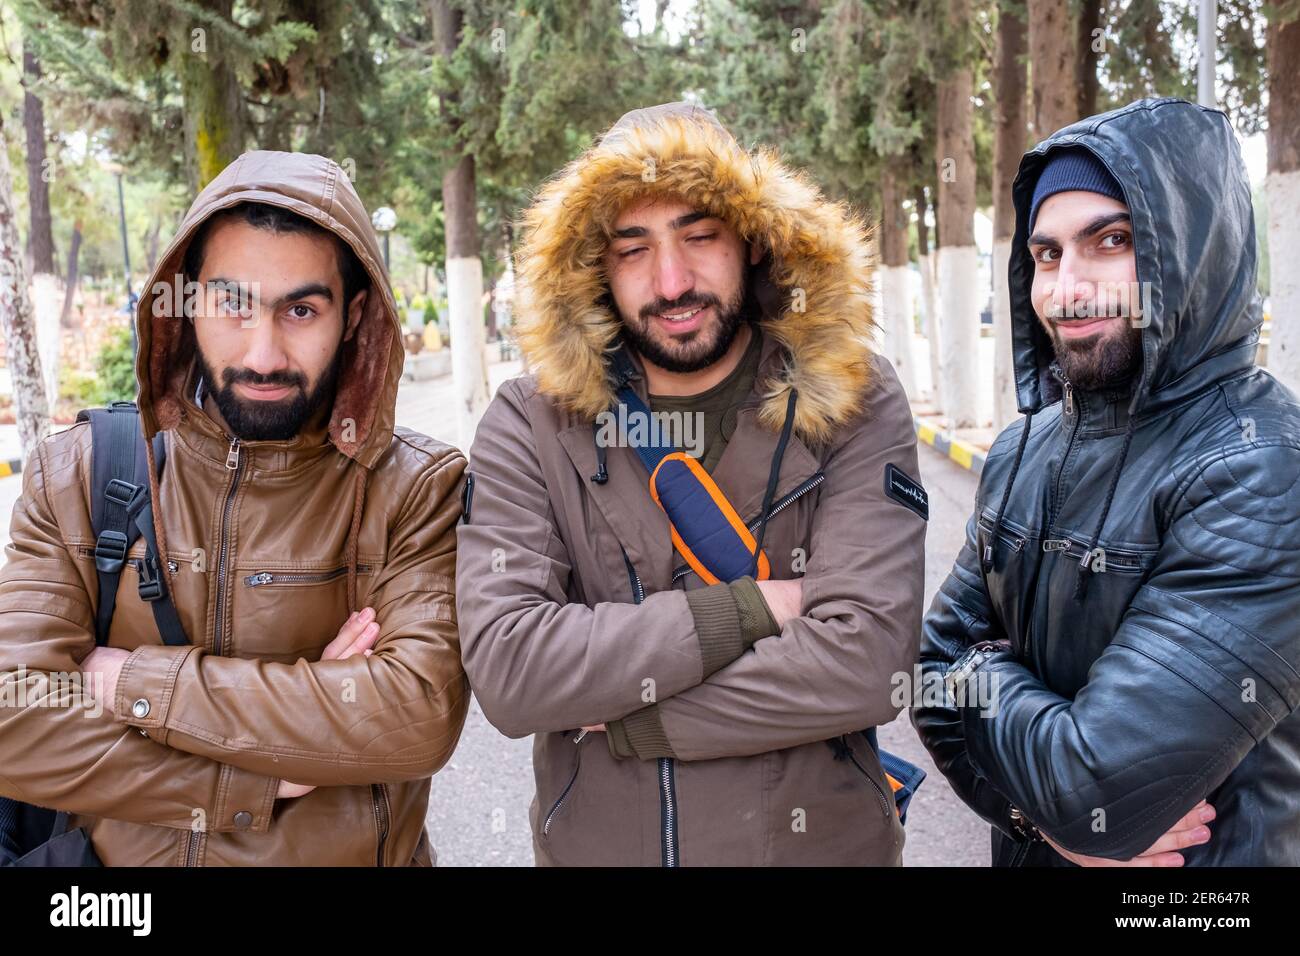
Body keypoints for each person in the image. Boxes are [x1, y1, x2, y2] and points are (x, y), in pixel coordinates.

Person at [456, 102, 927, 866]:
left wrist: (637, 722)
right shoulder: (530, 422)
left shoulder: (850, 395)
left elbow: (869, 664)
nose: (671, 282)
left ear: (752, 237)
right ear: (594, 269)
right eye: (632, 248)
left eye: (700, 237)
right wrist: (751, 608)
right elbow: (512, 671)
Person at [0, 151, 470, 866]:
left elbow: (414, 717)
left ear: (354, 317)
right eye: (233, 304)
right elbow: (14, 715)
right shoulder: (79, 474)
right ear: (186, 303)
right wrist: (261, 772)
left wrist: (131, 681)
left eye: (302, 309)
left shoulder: (414, 488)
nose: (263, 352)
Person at [913, 97, 1300, 866]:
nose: (1068, 288)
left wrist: (978, 668)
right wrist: (1042, 821)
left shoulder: (1259, 468)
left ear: (1191, 250)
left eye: (1111, 240)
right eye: (1048, 254)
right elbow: (924, 680)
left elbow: (1098, 788)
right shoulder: (1024, 446)